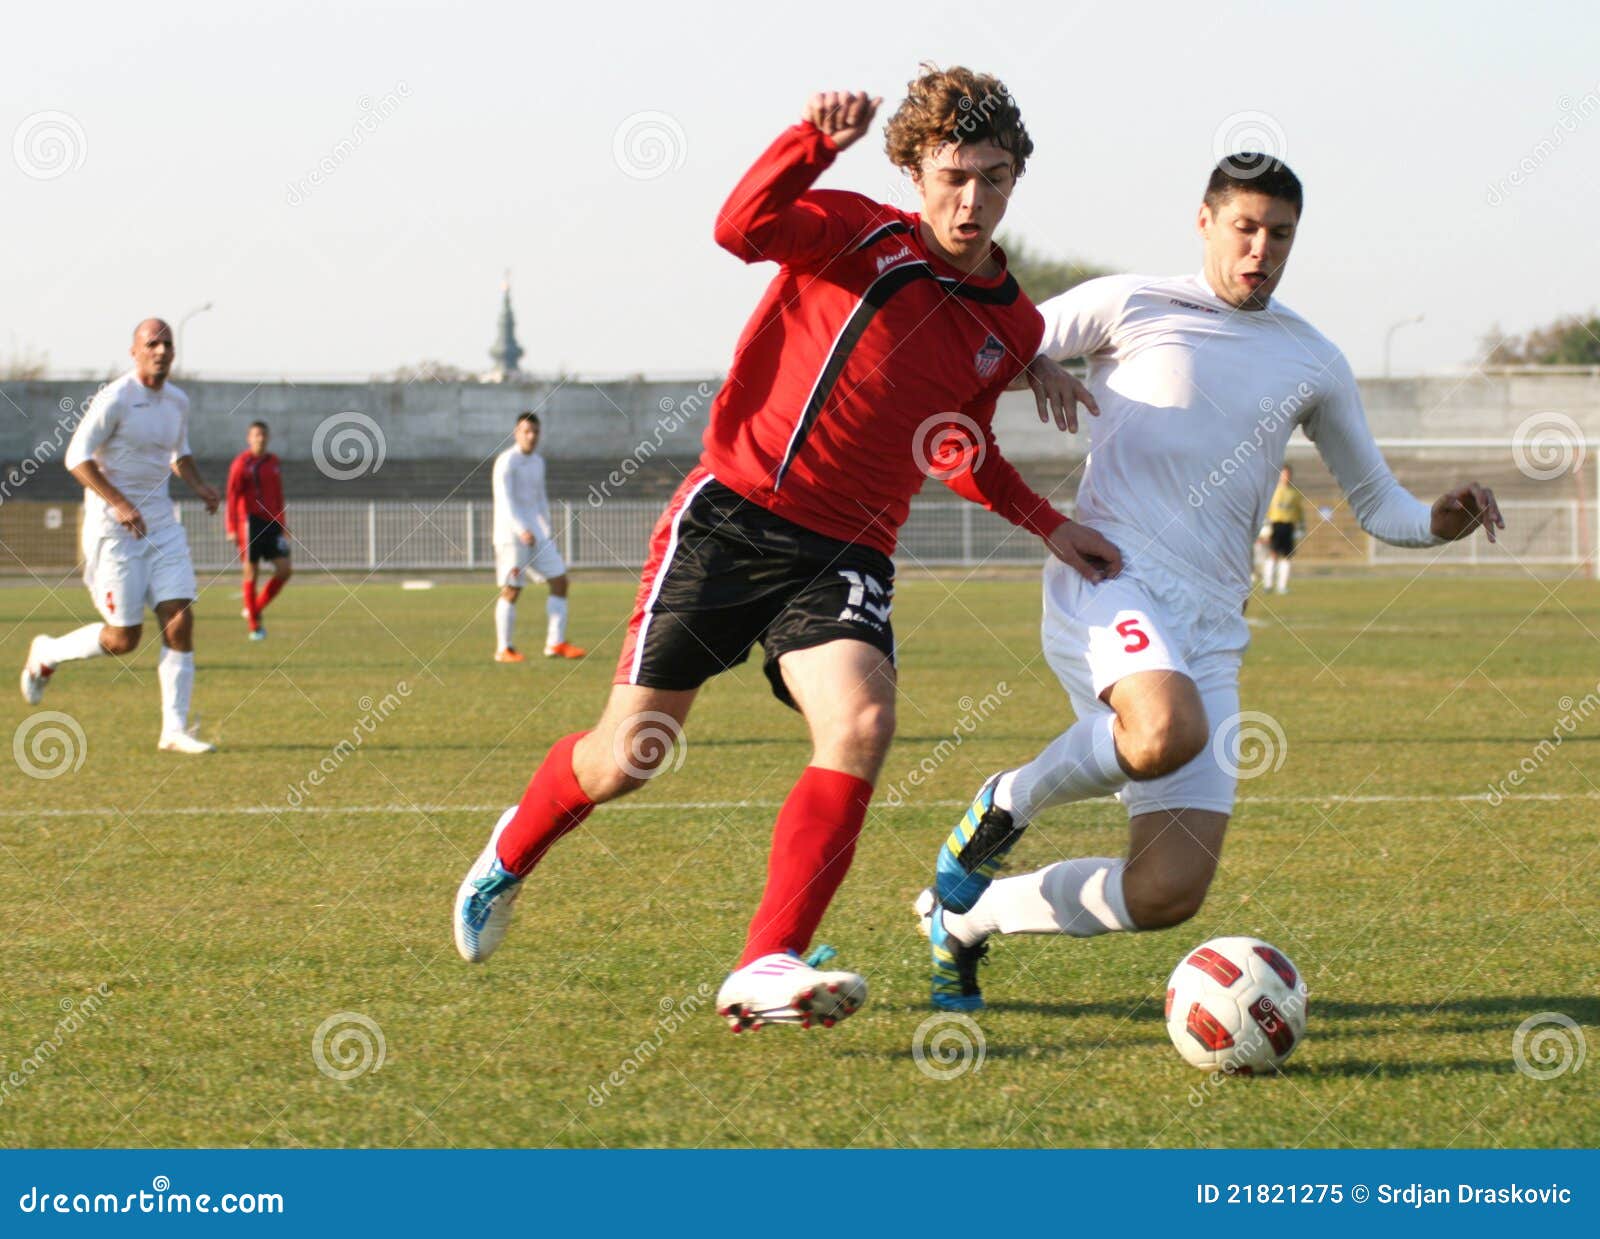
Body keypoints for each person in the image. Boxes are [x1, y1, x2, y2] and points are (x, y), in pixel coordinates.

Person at [451, 67, 1118, 1034]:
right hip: (731, 518)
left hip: (846, 549)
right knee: (631, 754)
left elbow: (955, 447)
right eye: (953, 175)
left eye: (995, 177)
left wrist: (1050, 523)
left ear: (1017, 180)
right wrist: (810, 145)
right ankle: (511, 849)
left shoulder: (1010, 322)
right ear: (914, 169)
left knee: (861, 722)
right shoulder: (855, 230)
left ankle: (768, 958)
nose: (971, 199)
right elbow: (738, 229)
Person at [918, 153, 1503, 1011]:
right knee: (1165, 726)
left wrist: (1439, 520)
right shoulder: (1131, 302)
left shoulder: (1315, 360)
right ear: (1205, 223)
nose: (1260, 249)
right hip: (1108, 576)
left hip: (1210, 628)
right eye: (1245, 228)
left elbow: (1378, 500)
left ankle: (968, 918)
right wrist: (1028, 357)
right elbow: (981, 345)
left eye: (1280, 235)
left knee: (1167, 891)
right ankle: (1005, 802)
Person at [20, 318, 222, 754]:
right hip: (114, 531)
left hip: (162, 527)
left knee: (180, 621)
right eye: (152, 343)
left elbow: (178, 454)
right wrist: (118, 502)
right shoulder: (116, 398)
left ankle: (174, 730)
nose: (162, 351)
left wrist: (200, 485)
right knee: (123, 638)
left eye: (168, 343)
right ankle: (48, 652)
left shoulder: (178, 402)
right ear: (134, 352)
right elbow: (76, 457)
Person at [491, 411, 584, 662]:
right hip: (512, 536)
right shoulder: (506, 461)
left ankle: (555, 643)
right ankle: (504, 648)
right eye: (526, 431)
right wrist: (521, 528)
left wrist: (545, 527)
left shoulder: (538, 462)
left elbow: (540, 497)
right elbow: (505, 500)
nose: (531, 436)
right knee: (512, 589)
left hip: (537, 536)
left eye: (535, 432)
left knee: (560, 582)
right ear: (516, 433)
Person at [224, 420, 292, 640]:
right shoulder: (241, 463)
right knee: (251, 571)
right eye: (256, 435)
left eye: (263, 434)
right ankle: (255, 627)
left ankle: (255, 607)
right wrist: (232, 527)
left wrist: (282, 522)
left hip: (272, 523)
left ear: (268, 437)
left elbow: (278, 494)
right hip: (250, 523)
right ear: (249, 438)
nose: (260, 438)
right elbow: (232, 496)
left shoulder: (274, 462)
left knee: (285, 570)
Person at [1261, 463, 1304, 593]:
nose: (1285, 477)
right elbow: (1266, 510)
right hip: (1275, 525)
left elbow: (1299, 513)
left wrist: (1300, 528)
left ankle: (1282, 586)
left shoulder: (1294, 493)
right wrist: (1265, 528)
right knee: (1273, 554)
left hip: (1288, 526)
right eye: (1283, 474)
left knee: (1286, 556)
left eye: (1287, 474)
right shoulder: (1273, 491)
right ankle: (1268, 585)